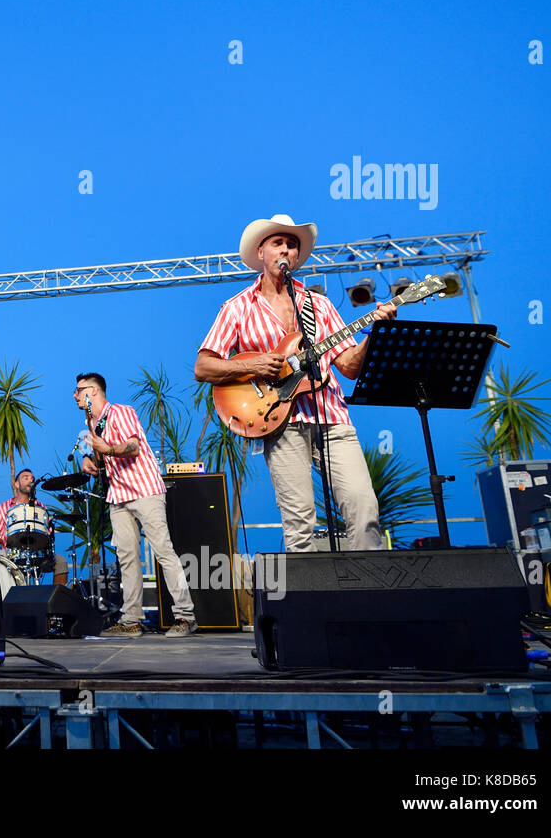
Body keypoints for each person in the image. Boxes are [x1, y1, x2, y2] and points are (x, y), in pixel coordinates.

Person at [194, 213, 394, 552]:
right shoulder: (237, 308)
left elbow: (347, 366)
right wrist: (254, 364)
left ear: (298, 257)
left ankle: (372, 597)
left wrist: (375, 331)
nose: (285, 249)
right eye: (278, 243)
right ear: (261, 252)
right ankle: (306, 604)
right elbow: (203, 366)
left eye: (292, 245)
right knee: (299, 521)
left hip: (331, 417)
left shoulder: (320, 305)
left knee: (363, 508)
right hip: (279, 420)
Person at [76, 373, 196, 637]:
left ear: (92, 392)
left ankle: (185, 616)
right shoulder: (91, 424)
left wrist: (106, 450)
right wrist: (92, 462)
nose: (75, 395)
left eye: (79, 390)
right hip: (117, 496)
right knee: (127, 559)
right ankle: (131, 620)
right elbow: (103, 456)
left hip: (144, 491)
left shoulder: (120, 412)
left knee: (163, 551)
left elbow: (132, 446)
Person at [0, 469, 68, 585]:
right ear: (16, 484)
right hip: (11, 552)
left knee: (60, 561)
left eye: (32, 479)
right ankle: (4, 599)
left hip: (37, 552)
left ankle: (56, 600)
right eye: (25, 478)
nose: (30, 480)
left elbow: (48, 534)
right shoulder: (4, 507)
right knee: (0, 559)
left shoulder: (41, 507)